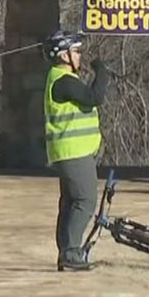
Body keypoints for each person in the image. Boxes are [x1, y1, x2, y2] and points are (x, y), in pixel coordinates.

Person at [43, 30, 109, 272]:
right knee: (84, 200)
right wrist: (102, 70)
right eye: (76, 51)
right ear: (64, 55)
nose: (80, 55)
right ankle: (71, 253)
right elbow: (94, 97)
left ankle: (67, 253)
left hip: (69, 152)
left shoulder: (60, 79)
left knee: (70, 203)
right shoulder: (63, 81)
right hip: (73, 152)